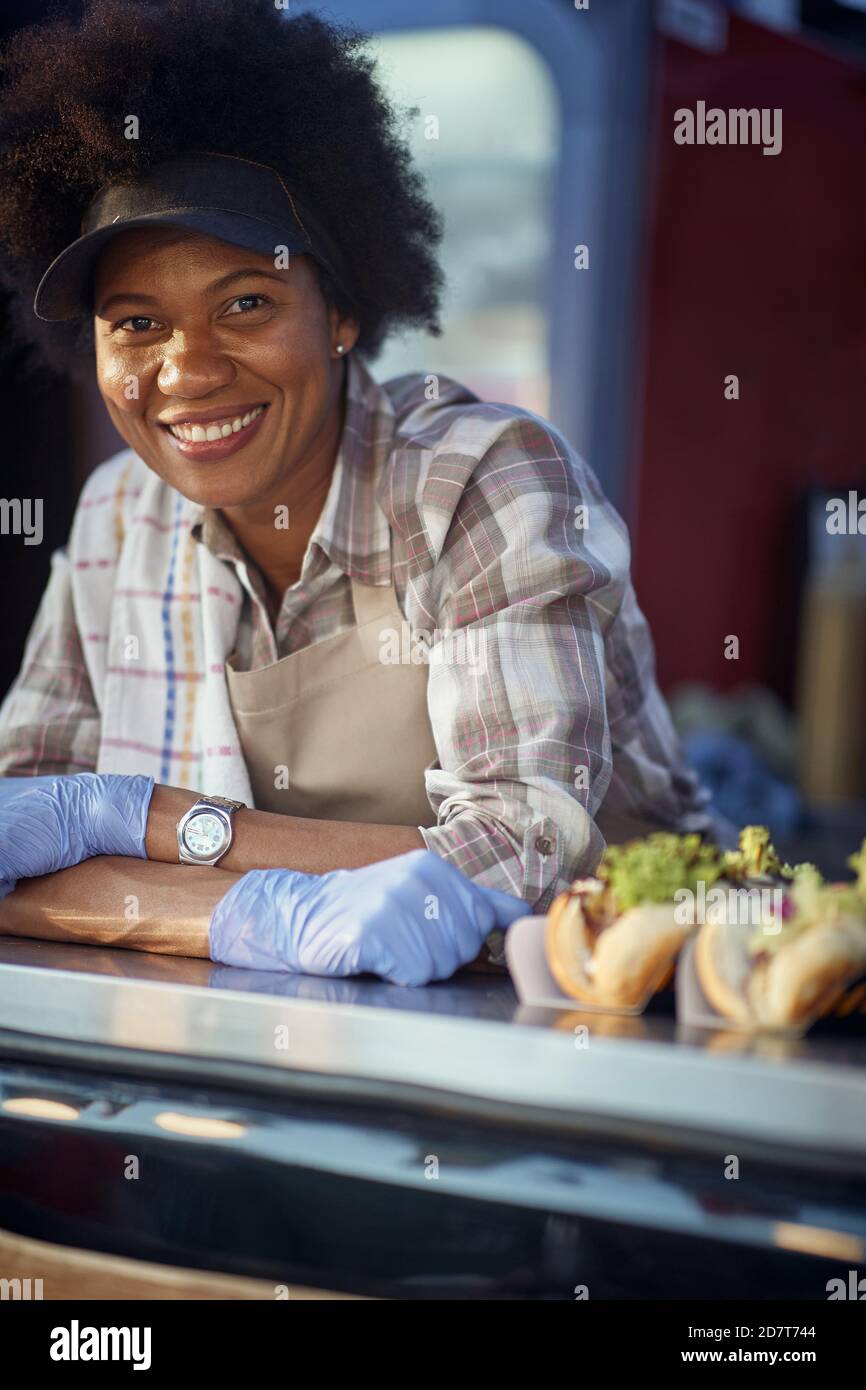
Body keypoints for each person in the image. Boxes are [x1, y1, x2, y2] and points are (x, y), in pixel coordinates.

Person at [0, 0, 714, 984]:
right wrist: (256, 917)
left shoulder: (480, 481)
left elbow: (527, 861)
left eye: (244, 303)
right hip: (292, 1030)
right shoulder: (120, 516)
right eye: (136, 323)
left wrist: (136, 822)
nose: (187, 370)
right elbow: (10, 847)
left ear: (339, 312)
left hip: (593, 1021)